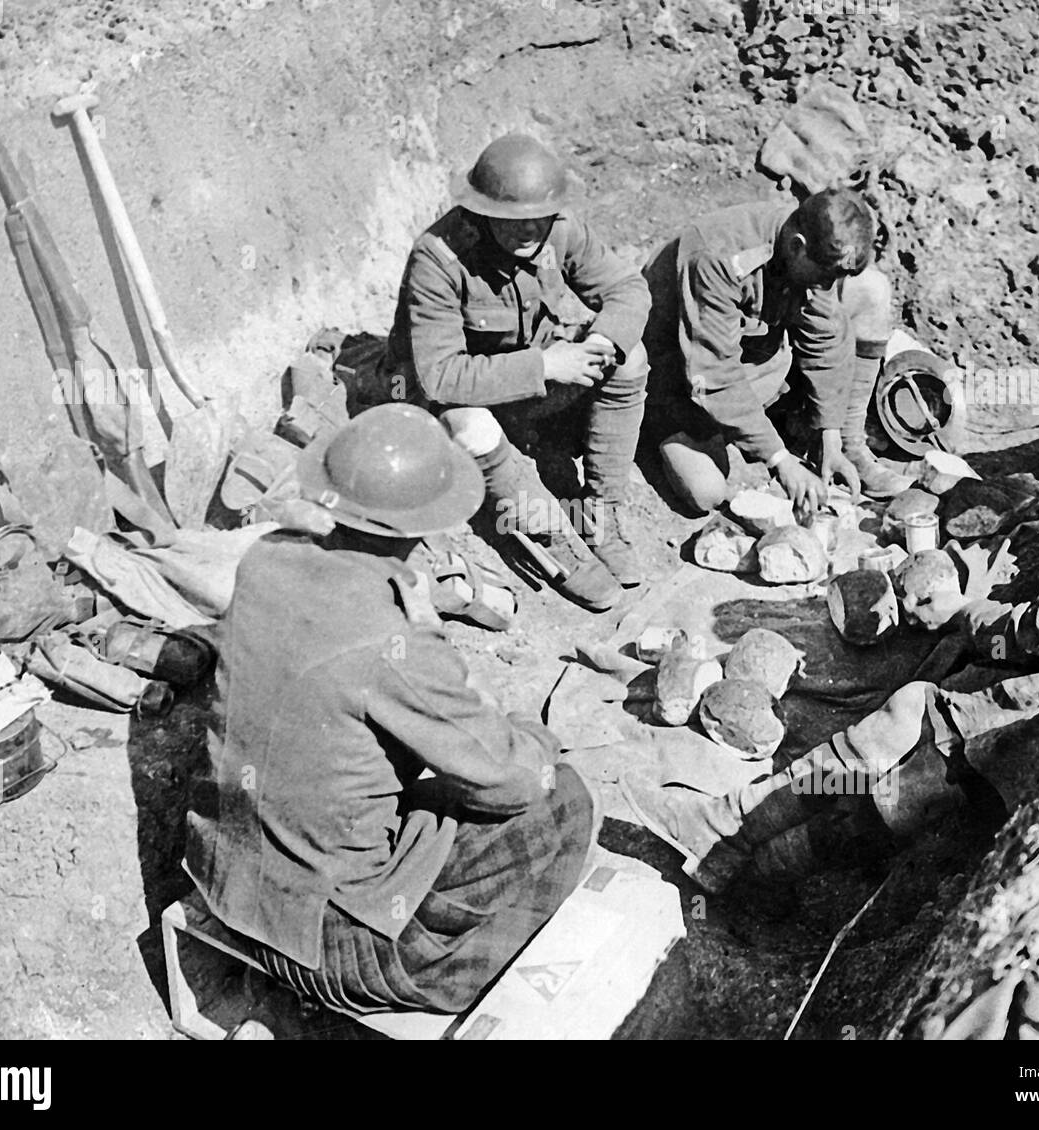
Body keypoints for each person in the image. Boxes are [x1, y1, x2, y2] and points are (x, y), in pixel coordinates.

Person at [622, 279, 1039, 893]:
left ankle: (738, 846)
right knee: (914, 759)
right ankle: (733, 846)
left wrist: (969, 613)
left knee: (913, 760)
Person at [184, 404, 596, 1015]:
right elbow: (509, 782)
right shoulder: (395, 636)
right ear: (426, 521)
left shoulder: (266, 559)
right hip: (332, 947)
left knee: (411, 785)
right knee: (561, 795)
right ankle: (468, 981)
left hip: (224, 882)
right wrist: (530, 731)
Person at [374, 133, 652, 612]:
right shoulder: (438, 258)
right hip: (444, 397)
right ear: (482, 211)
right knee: (473, 427)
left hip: (523, 378)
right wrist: (547, 364)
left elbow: (627, 288)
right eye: (510, 221)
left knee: (632, 358)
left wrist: (601, 342)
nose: (526, 232)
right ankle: (551, 538)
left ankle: (599, 514)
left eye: (536, 219)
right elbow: (440, 377)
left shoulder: (559, 227)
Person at [643, 190, 913, 517]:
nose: (827, 285)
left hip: (752, 363)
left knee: (871, 289)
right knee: (707, 493)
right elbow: (712, 377)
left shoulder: (812, 240)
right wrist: (779, 460)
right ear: (797, 246)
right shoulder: (719, 257)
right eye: (825, 276)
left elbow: (825, 337)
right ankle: (663, 438)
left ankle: (844, 445)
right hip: (686, 383)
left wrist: (830, 436)